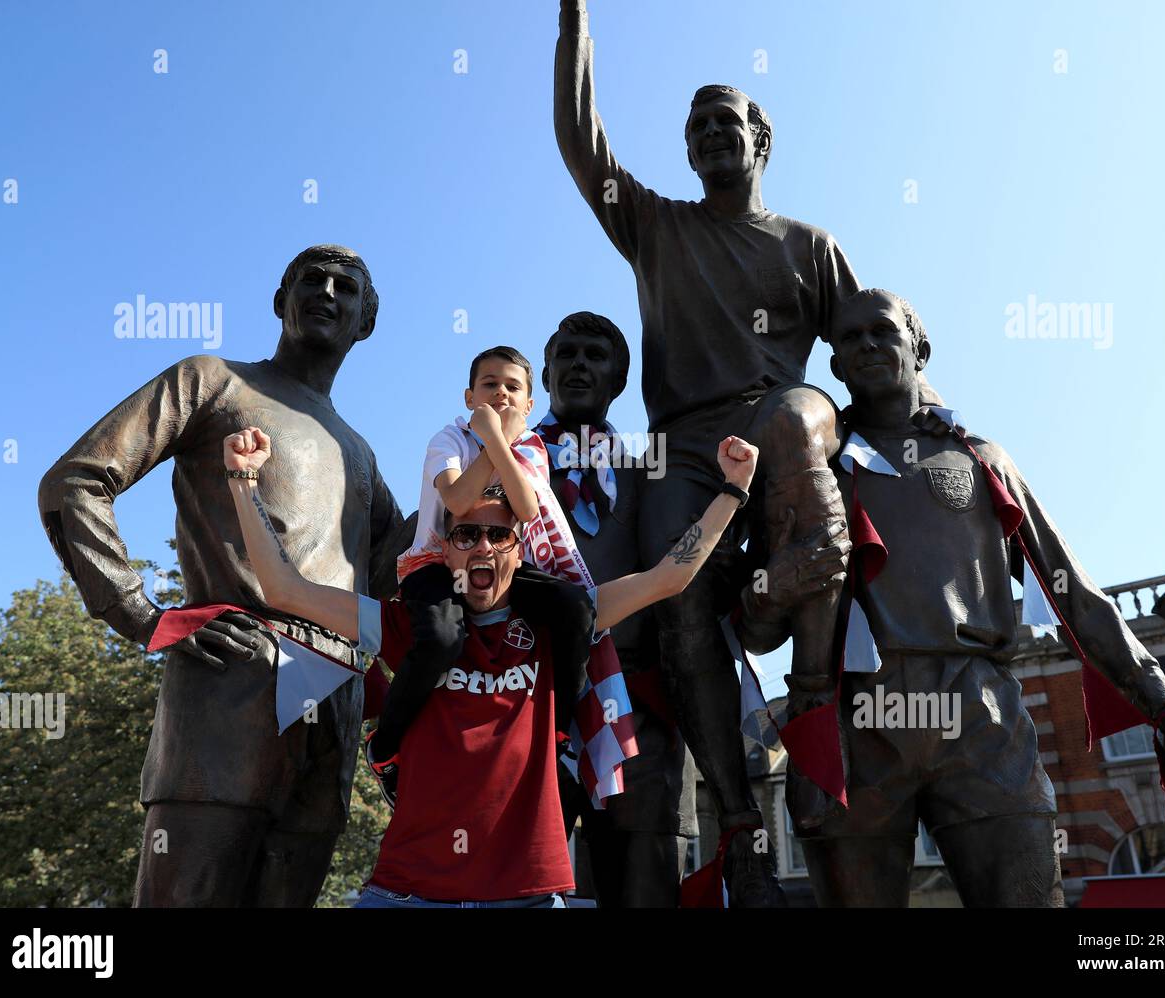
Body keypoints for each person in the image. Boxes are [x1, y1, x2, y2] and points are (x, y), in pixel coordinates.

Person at [555, 0, 886, 903]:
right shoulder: (660, 227)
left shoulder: (809, 245)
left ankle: (811, 694)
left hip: (785, 414)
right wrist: (574, 32)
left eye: (723, 121)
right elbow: (586, 154)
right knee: (678, 596)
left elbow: (865, 345)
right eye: (694, 125)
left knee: (792, 424)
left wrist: (924, 429)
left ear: (760, 139)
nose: (707, 134)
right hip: (684, 445)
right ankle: (741, 818)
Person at [221, 422, 761, 906]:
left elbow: (667, 577)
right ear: (446, 551)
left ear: (519, 549)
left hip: (527, 894)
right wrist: (243, 485)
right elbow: (285, 589)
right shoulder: (405, 623)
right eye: (466, 534)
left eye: (498, 534)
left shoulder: (556, 627)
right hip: (408, 892)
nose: (482, 545)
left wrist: (732, 491)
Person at [813, 288, 1165, 906]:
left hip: (982, 715)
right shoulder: (815, 468)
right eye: (849, 339)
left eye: (883, 331)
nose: (867, 345)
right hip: (862, 719)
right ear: (837, 367)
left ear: (919, 348)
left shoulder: (981, 458)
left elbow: (1076, 594)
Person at [37, 244, 412, 907]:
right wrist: (141, 613)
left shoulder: (360, 453)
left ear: (366, 321)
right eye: (310, 281)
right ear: (280, 301)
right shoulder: (214, 380)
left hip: (335, 701)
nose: (327, 292)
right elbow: (75, 483)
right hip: (230, 681)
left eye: (346, 288)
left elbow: (392, 575)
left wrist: (489, 467)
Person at [537, 311, 698, 907]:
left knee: (643, 886)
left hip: (637, 704)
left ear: (619, 381)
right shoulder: (496, 463)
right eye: (568, 353)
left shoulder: (651, 470)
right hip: (526, 696)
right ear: (546, 369)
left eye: (596, 356)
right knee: (510, 879)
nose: (579, 364)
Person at [366, 346, 544, 794]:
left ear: (529, 404)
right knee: (443, 638)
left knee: (575, 608)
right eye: (490, 384)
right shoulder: (448, 439)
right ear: (470, 397)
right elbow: (459, 502)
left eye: (512, 386)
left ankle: (561, 735)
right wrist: (490, 442)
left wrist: (501, 443)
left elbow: (526, 508)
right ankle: (385, 747)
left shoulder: (531, 450)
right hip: (437, 563)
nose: (501, 393)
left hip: (501, 563)